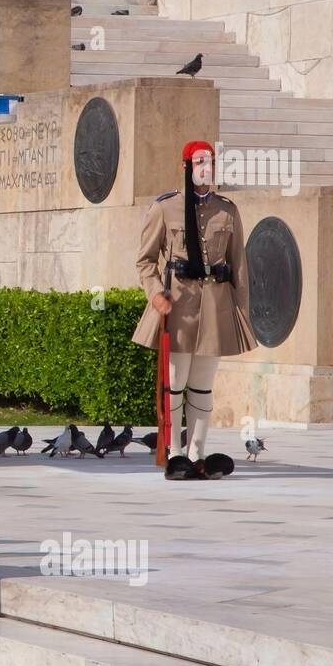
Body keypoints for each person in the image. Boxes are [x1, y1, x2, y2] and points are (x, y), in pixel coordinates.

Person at [132, 139, 257, 480]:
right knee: (175, 382)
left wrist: (241, 312)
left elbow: (239, 265)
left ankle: (197, 453)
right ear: (186, 166)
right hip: (180, 306)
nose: (207, 168)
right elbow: (145, 261)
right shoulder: (165, 208)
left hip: (216, 307)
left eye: (211, 162)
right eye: (200, 161)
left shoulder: (227, 210)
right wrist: (156, 294)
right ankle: (174, 452)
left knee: (203, 385)